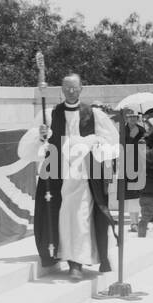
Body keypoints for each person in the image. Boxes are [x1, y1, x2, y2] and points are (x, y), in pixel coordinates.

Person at [18, 73, 119, 279]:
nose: (71, 92)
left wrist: (90, 142)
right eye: (66, 88)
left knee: (80, 217)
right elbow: (30, 148)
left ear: (82, 88)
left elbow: (110, 142)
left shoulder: (94, 114)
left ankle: (77, 262)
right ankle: (60, 254)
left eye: (74, 88)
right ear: (61, 90)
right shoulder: (50, 114)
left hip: (83, 176)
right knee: (61, 217)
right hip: (56, 175)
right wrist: (41, 135)